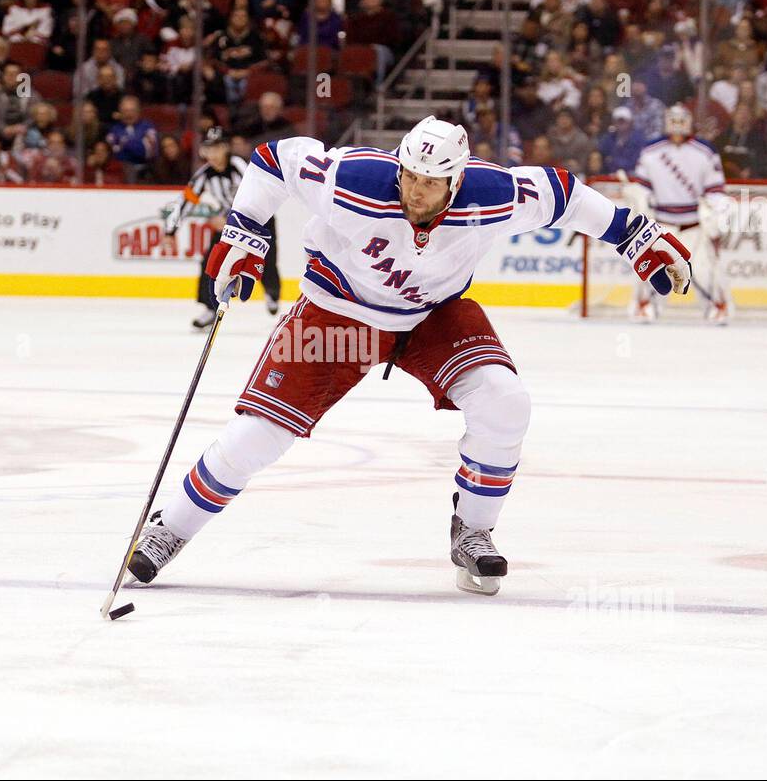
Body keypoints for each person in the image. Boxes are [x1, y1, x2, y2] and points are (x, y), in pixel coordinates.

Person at [123, 116, 692, 595]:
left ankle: (473, 532)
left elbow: (565, 194)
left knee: (505, 403)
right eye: (410, 176)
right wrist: (245, 233)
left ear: (457, 181)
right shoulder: (355, 178)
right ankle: (169, 527)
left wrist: (638, 238)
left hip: (431, 317)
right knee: (258, 439)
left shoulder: (492, 195)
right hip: (338, 314)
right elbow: (275, 158)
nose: (415, 191)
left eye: (430, 183)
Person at [163, 127, 280, 328]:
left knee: (265, 259)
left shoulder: (239, 166)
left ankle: (271, 291)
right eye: (209, 149)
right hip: (231, 224)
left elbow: (254, 194)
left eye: (217, 148)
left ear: (225, 148)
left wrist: (226, 217)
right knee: (211, 260)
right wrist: (170, 230)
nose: (213, 154)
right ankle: (210, 307)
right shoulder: (204, 175)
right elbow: (184, 201)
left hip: (260, 219)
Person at [626, 105, 732, 324]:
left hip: (693, 223)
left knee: (703, 268)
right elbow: (642, 187)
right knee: (652, 267)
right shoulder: (650, 151)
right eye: (672, 120)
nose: (676, 126)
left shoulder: (705, 151)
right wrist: (640, 200)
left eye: (681, 121)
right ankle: (646, 306)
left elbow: (715, 190)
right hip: (661, 223)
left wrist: (714, 213)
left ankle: (716, 307)